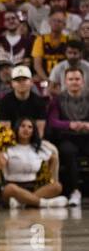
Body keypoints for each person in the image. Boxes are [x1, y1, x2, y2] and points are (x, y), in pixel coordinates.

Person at [44, 67, 89, 207]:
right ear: (65, 82)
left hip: (86, 136)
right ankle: (75, 191)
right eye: (71, 79)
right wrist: (69, 125)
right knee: (68, 152)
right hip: (67, 137)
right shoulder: (57, 100)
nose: (74, 82)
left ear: (83, 81)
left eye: (77, 79)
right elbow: (53, 121)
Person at [0, 117, 65, 209]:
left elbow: (54, 157)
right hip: (14, 187)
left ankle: (22, 202)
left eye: (30, 127)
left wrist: (49, 175)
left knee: (57, 186)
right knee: (10, 188)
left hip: (34, 187)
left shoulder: (39, 149)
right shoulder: (8, 148)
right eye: (22, 126)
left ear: (33, 131)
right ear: (16, 129)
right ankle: (44, 203)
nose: (26, 129)